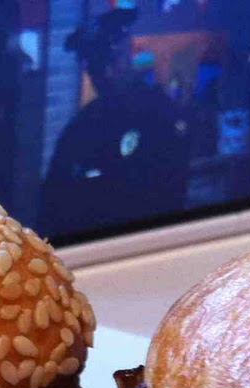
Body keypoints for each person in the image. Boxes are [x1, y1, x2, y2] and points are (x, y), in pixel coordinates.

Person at [41, 5, 190, 240]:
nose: (106, 73)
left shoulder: (159, 113)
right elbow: (53, 196)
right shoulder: (84, 123)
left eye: (113, 60)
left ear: (127, 53)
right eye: (96, 66)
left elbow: (163, 201)